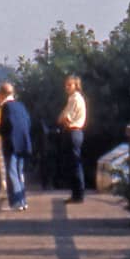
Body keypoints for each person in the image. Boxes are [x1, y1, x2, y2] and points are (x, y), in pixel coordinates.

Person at [0, 82, 32, 211]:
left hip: (12, 144)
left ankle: (15, 204)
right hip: (24, 142)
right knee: (19, 172)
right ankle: (23, 201)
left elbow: (6, 125)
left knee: (12, 173)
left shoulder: (6, 107)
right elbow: (28, 121)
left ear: (2, 94)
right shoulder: (21, 105)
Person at [58, 74, 87, 202]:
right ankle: (76, 194)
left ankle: (78, 195)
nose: (67, 87)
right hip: (75, 132)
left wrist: (62, 119)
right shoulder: (74, 98)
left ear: (76, 85)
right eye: (66, 85)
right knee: (74, 163)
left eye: (70, 85)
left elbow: (65, 117)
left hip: (73, 131)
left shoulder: (75, 99)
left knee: (75, 164)